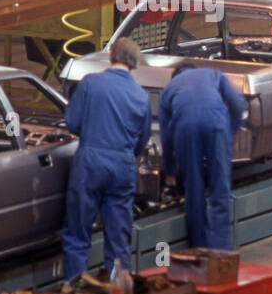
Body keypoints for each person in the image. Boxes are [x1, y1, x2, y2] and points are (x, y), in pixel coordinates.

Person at [62, 37, 152, 279]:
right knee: (118, 235)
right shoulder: (141, 96)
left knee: (78, 232)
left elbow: (72, 122)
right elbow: (142, 141)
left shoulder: (91, 83)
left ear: (112, 55)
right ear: (134, 63)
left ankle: (76, 290)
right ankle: (118, 293)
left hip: (90, 162)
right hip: (123, 167)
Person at [158, 63, 247, 250]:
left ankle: (199, 250)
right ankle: (221, 252)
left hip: (185, 129)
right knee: (220, 188)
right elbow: (238, 103)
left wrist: (170, 171)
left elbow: (165, 136)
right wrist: (230, 132)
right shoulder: (212, 73)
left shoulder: (168, 89)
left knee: (193, 189)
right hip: (216, 123)